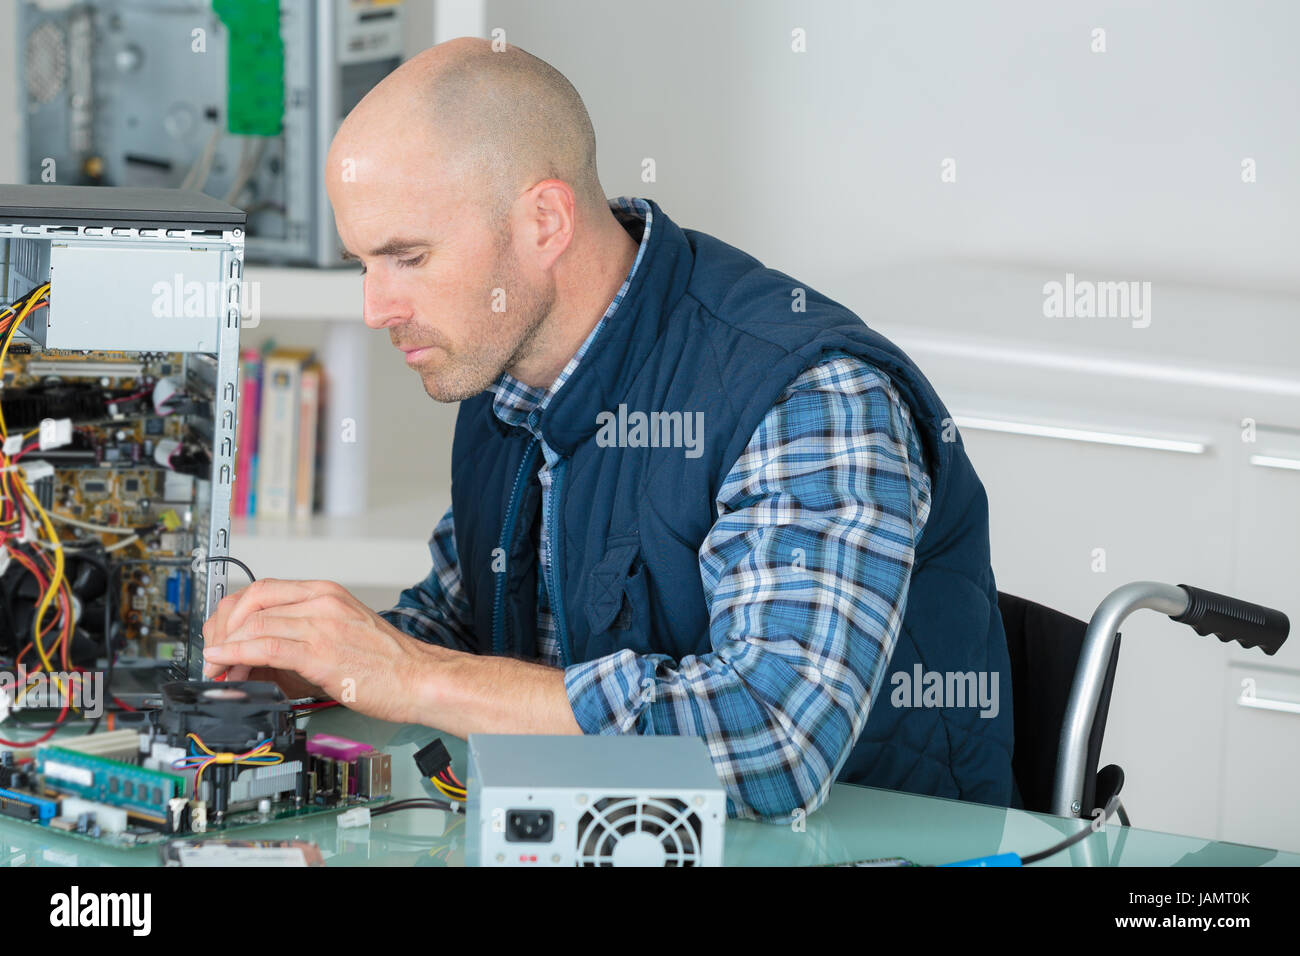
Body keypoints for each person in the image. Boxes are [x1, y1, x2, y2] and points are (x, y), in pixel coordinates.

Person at [201, 37, 1015, 821]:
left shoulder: (810, 396)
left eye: (407, 258)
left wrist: (410, 675)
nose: (376, 308)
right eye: (363, 264)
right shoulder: (505, 372)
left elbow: (773, 742)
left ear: (545, 221)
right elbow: (463, 629)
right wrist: (310, 663)